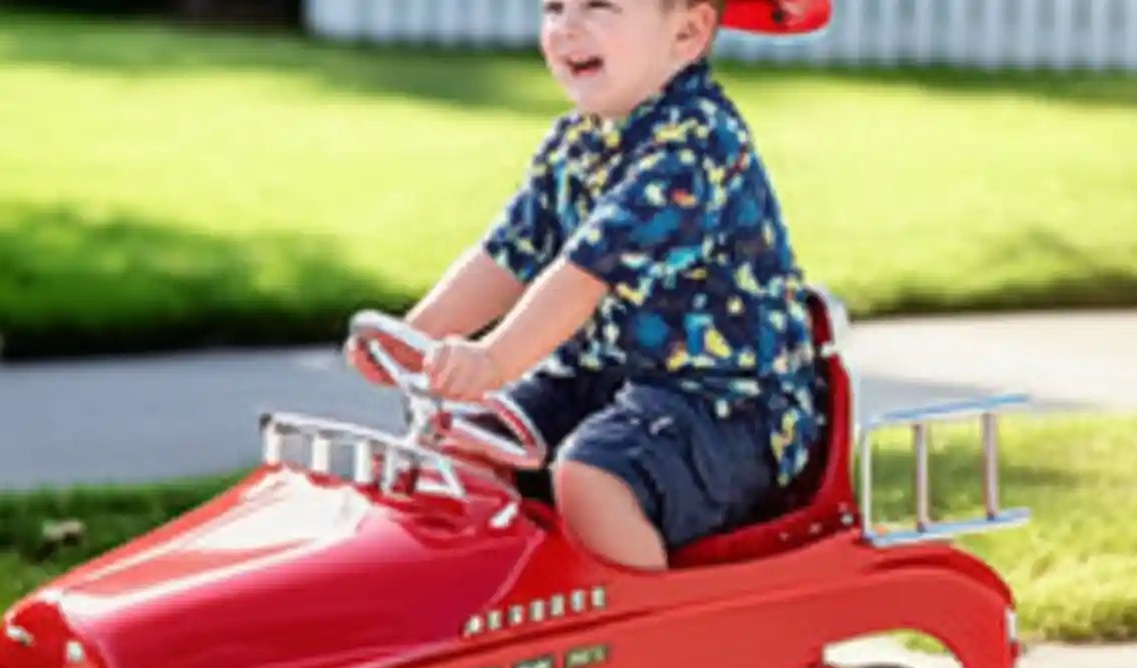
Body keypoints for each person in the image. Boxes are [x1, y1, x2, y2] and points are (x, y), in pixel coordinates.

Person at [348, 0, 820, 575]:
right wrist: (415, 334)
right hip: (599, 377)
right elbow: (506, 256)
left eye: (598, 6)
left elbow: (582, 277)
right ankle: (494, 607)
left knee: (594, 476)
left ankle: (641, 646)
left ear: (688, 33)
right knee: (465, 444)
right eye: (553, 6)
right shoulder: (577, 142)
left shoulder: (693, 147)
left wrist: (494, 360)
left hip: (723, 403)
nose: (567, 26)